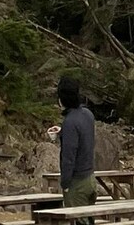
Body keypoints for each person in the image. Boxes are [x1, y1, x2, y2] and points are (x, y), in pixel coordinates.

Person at [52, 77, 96, 213]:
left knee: (77, 220)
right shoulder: (87, 114)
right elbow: (84, 137)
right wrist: (62, 133)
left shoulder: (70, 121)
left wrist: (65, 183)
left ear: (61, 99)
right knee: (88, 220)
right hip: (90, 178)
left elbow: (68, 157)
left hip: (77, 183)